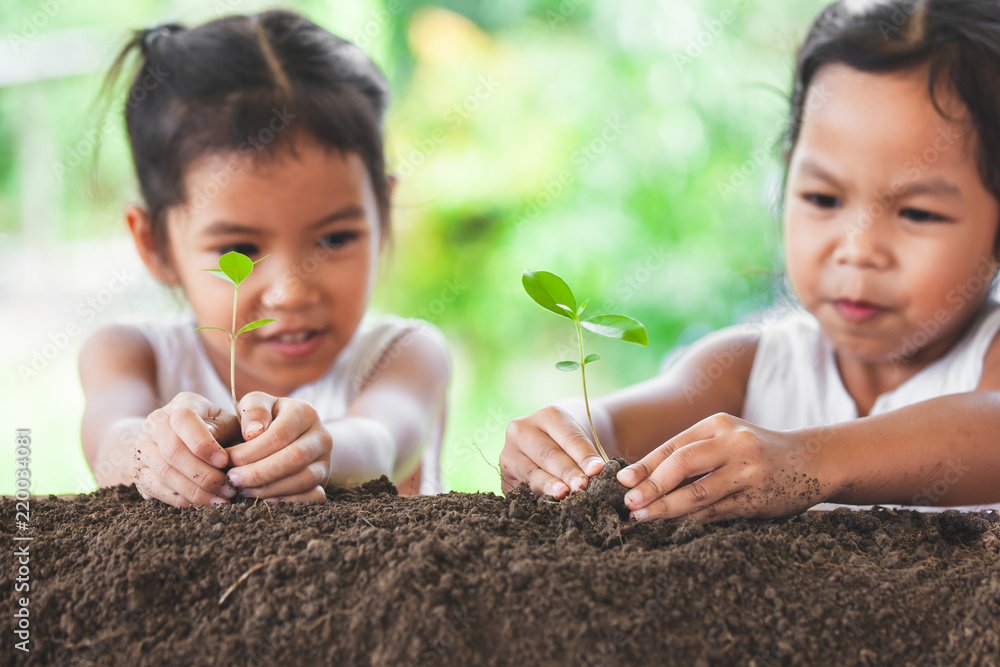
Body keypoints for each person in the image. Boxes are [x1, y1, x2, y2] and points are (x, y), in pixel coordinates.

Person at [500, 0, 1000, 521]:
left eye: (918, 212)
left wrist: (809, 462)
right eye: (823, 199)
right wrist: (565, 437)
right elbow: (619, 425)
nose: (857, 249)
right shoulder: (745, 370)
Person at [80, 10, 450, 507]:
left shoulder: (403, 356)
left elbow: (381, 440)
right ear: (155, 245)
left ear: (382, 217)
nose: (292, 290)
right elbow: (110, 440)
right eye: (239, 250)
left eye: (335, 238)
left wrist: (321, 451)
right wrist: (152, 450)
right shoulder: (131, 355)